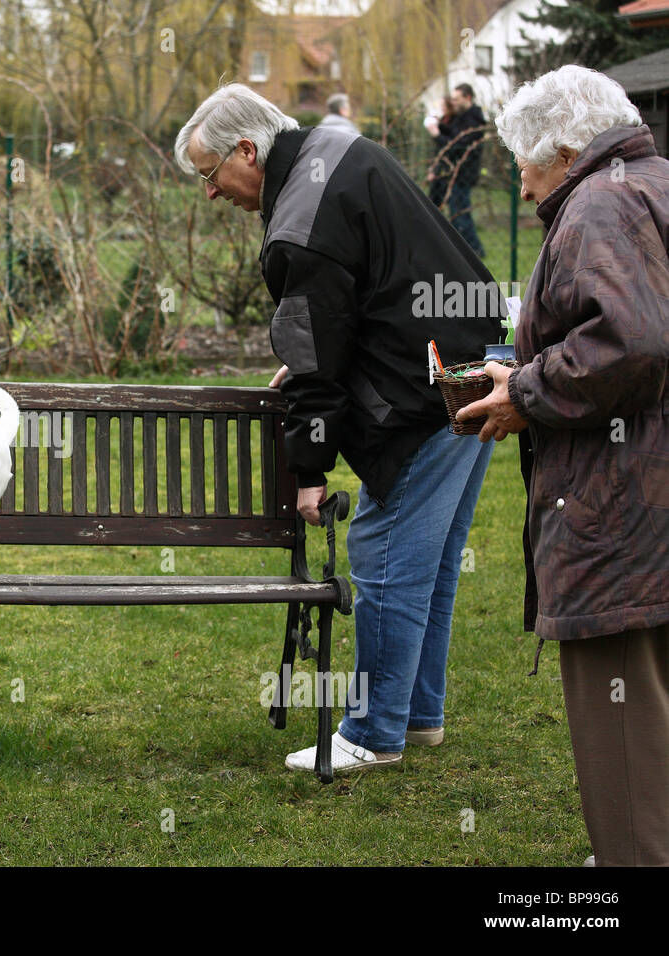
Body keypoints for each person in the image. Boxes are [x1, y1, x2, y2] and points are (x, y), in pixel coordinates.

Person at [174, 83, 504, 775]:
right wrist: (303, 364)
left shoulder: (298, 226)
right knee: (431, 563)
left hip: (426, 395)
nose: (211, 193)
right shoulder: (337, 146)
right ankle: (417, 716)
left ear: (246, 150)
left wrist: (309, 473)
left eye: (210, 175)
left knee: (382, 550)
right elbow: (349, 310)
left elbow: (319, 358)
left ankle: (374, 732)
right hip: (480, 366)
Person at [458, 65, 669, 867]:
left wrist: (529, 393)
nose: (521, 189)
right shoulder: (655, 183)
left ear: (567, 148)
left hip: (622, 516)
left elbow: (632, 342)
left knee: (621, 716)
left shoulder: (601, 202)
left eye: (524, 166)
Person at [436, 83, 487, 256]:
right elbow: (454, 134)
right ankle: (469, 248)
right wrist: (440, 126)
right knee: (457, 210)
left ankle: (474, 249)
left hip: (463, 172)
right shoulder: (463, 117)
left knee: (460, 212)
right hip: (455, 172)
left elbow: (458, 145)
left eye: (457, 99)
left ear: (468, 98)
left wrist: (437, 135)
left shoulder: (474, 120)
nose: (454, 102)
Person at [424, 96, 456, 208]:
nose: (441, 108)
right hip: (439, 166)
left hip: (449, 168)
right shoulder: (442, 122)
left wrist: (437, 134)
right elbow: (438, 150)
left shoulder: (454, 123)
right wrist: (433, 168)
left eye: (443, 105)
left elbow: (450, 146)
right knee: (433, 201)